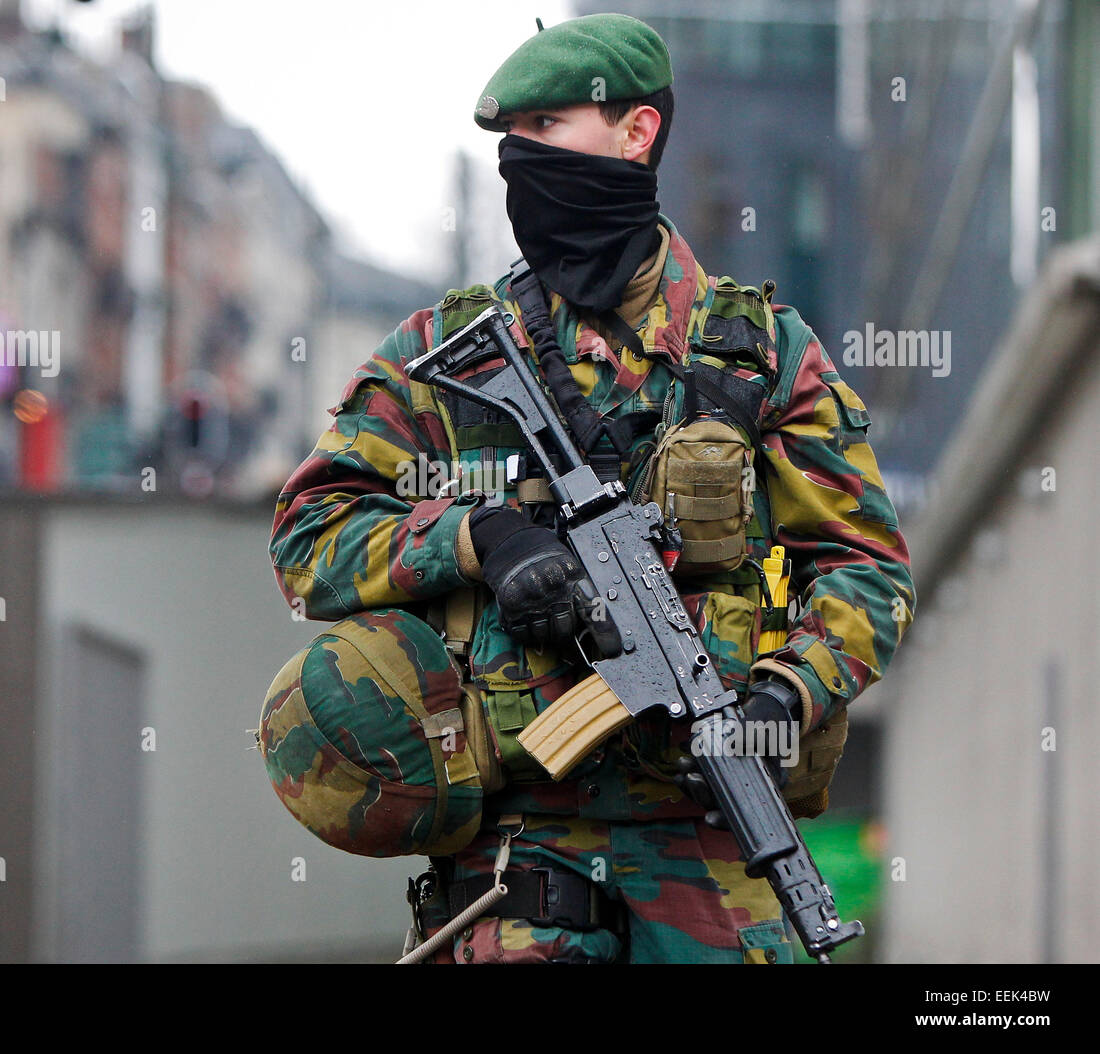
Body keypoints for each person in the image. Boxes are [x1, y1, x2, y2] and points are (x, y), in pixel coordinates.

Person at [261, 13, 914, 964]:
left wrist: (784, 695)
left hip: (713, 843)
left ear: (636, 133)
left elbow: (867, 571)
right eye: (508, 144)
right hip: (514, 855)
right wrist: (481, 541)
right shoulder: (449, 351)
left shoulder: (761, 353)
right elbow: (306, 538)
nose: (518, 163)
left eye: (545, 131)